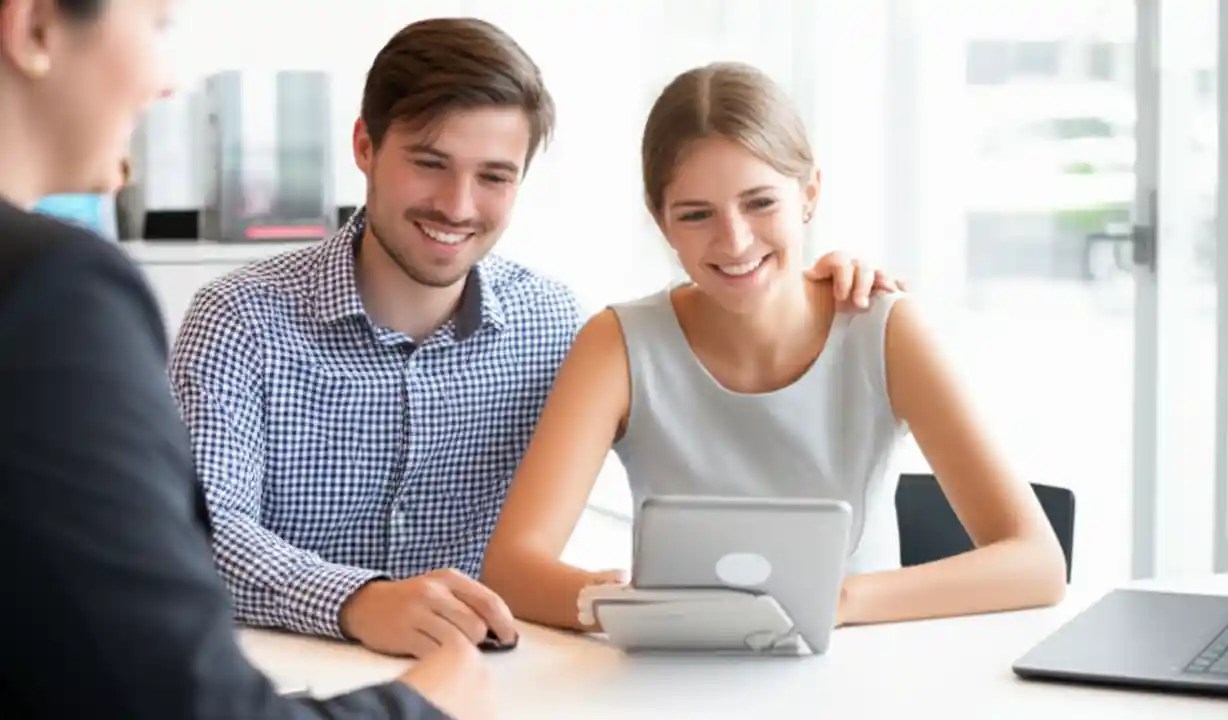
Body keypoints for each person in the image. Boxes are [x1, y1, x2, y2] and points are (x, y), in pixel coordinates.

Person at [167, 16, 904, 659]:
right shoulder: (240, 321)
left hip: (484, 681)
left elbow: (698, 361)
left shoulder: (553, 325)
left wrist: (811, 287)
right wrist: (360, 602)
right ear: (365, 146)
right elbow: (198, 536)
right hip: (277, 684)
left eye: (494, 176)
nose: (458, 205)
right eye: (429, 164)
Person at [0, 1, 490, 717]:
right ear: (37, 27)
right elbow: (182, 704)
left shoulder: (552, 318)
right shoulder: (51, 291)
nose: (168, 83)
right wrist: (425, 705)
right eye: (156, 25)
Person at [480, 61, 1068, 632]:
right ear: (661, 222)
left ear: (809, 193)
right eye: (695, 214)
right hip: (681, 674)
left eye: (760, 202)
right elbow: (512, 567)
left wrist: (837, 600)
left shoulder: (883, 328)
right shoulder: (617, 345)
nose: (734, 240)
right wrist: (627, 604)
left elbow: (1036, 562)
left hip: (862, 671)